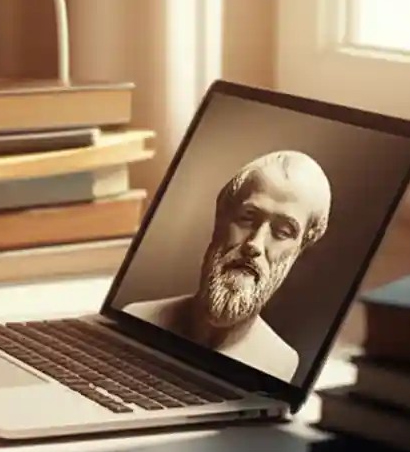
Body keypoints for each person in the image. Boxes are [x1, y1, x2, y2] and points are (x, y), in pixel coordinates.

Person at [124, 151, 332, 381]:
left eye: (282, 232)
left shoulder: (280, 361)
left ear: (299, 249)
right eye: (248, 217)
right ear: (220, 218)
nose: (254, 244)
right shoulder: (138, 317)